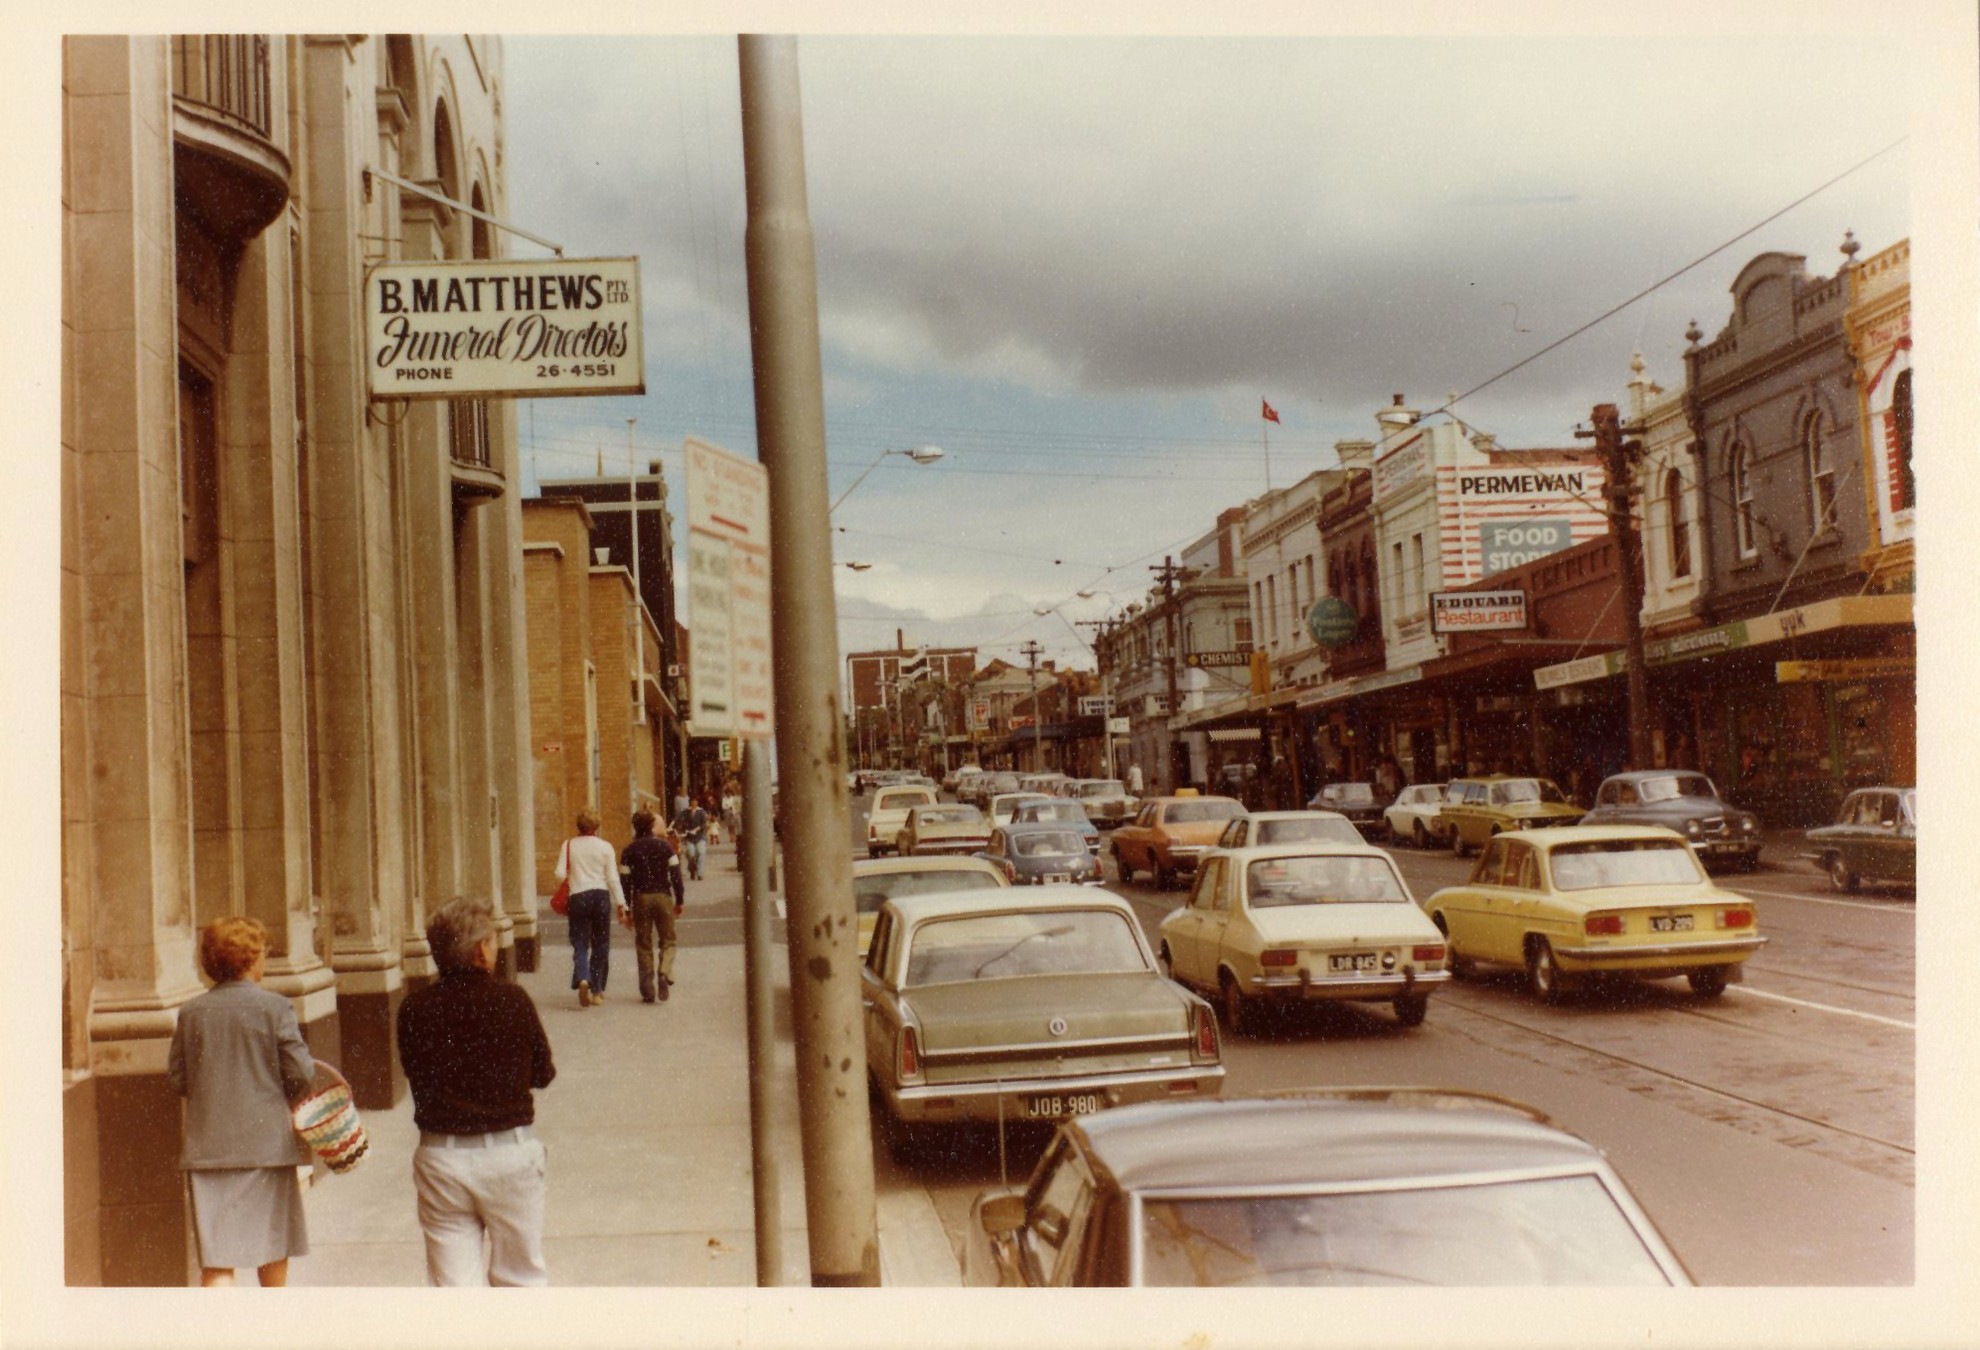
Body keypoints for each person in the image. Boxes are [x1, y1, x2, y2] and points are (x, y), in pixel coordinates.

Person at [397, 896, 556, 1286]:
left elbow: (414, 1071)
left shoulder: (414, 1008)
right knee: (521, 1281)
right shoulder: (513, 1001)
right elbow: (543, 1073)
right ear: (481, 950)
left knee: (454, 1291)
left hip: (442, 1157)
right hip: (509, 1153)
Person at [168, 915, 316, 1287]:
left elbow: (179, 1078)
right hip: (266, 1148)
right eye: (262, 953)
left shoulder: (190, 1013)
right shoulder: (276, 1008)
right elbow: (301, 1074)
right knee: (271, 1249)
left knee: (218, 1260)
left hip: (209, 1150)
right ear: (251, 960)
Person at [553, 808, 627, 1007]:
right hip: (600, 896)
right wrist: (622, 904)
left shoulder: (568, 845)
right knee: (601, 942)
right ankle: (597, 991)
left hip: (578, 896)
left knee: (579, 940)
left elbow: (559, 873)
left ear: (579, 825)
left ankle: (583, 976)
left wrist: (573, 874)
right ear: (597, 826)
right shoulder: (605, 847)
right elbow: (612, 878)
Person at [621, 810, 685, 1003]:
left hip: (641, 898)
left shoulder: (629, 851)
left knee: (643, 941)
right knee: (668, 940)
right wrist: (679, 899)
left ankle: (647, 984)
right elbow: (676, 875)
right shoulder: (665, 847)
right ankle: (664, 972)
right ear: (651, 826)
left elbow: (625, 881)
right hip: (663, 896)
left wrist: (627, 908)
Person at [672, 796, 710, 881]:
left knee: (701, 852)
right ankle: (692, 869)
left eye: (695, 801)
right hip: (689, 837)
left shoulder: (701, 812)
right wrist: (671, 825)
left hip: (699, 836)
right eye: (692, 801)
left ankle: (700, 873)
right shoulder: (686, 811)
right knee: (691, 854)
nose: (694, 803)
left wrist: (697, 829)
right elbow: (677, 818)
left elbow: (704, 823)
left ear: (697, 802)